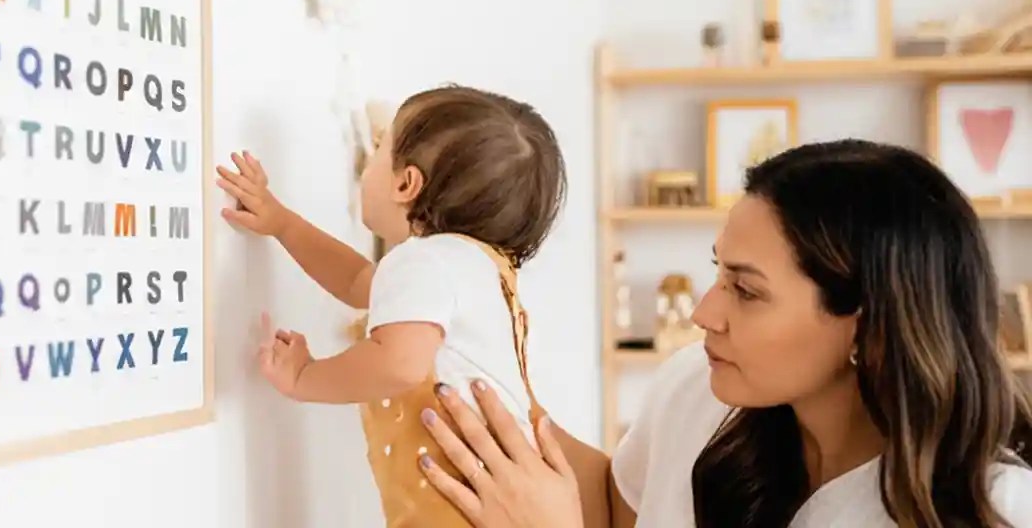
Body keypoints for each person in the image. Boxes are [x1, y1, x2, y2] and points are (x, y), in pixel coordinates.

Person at [413, 139, 1032, 527]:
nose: (704, 312)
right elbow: (614, 505)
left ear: (867, 329)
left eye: (747, 289)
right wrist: (480, 365)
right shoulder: (699, 388)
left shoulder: (997, 510)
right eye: (719, 272)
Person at [215, 85, 568, 527]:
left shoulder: (425, 261)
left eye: (378, 151)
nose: (367, 165)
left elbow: (399, 363)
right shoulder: (479, 270)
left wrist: (307, 377)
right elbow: (360, 281)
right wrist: (283, 223)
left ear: (405, 183)